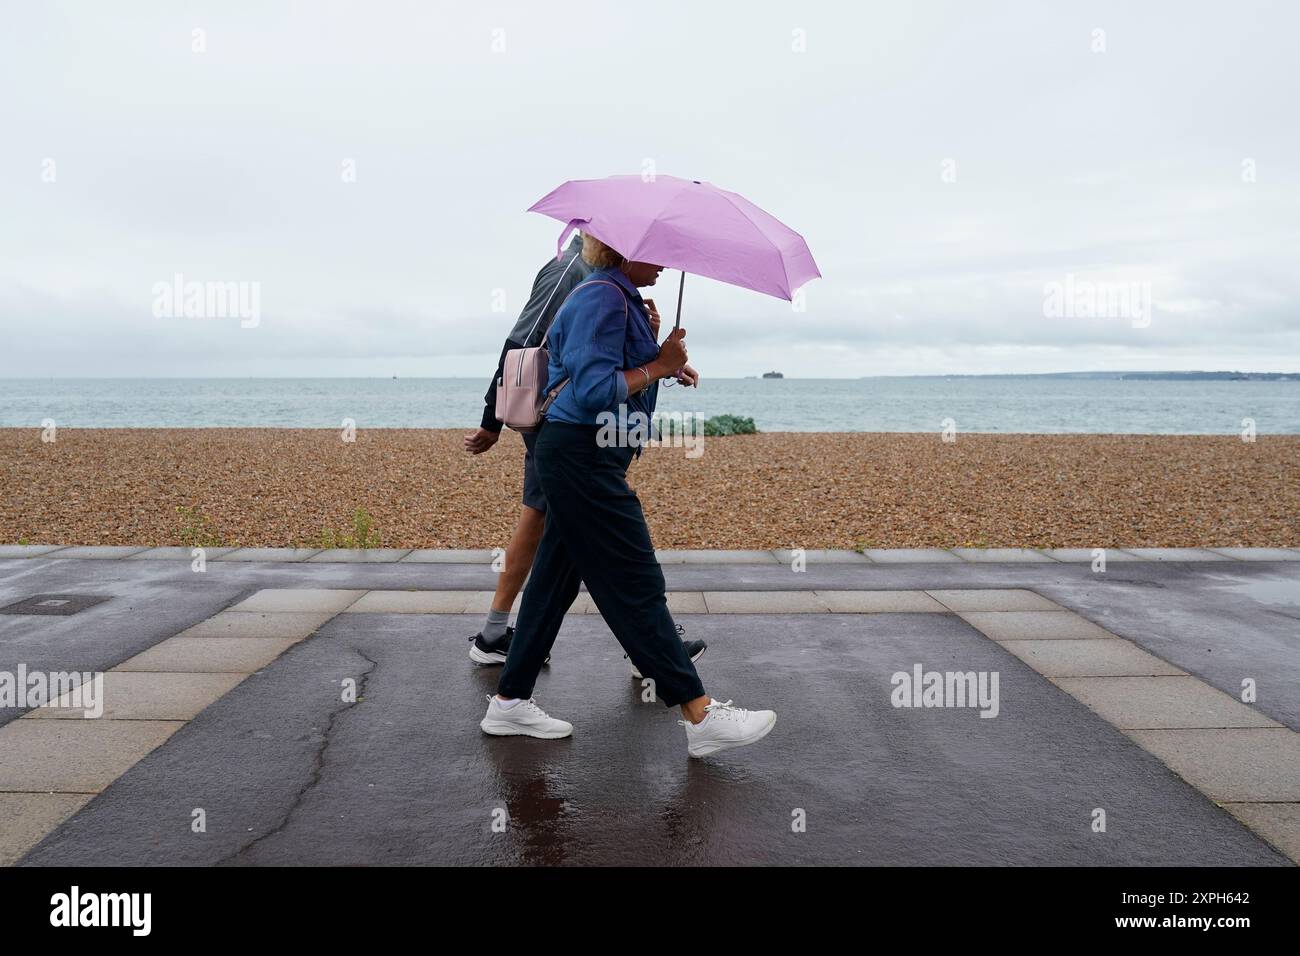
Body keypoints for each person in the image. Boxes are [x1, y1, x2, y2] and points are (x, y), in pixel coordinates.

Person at [479, 235, 776, 758]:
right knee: (634, 579)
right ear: (620, 250)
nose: (664, 261)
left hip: (581, 453)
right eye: (655, 251)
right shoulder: (601, 297)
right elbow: (592, 390)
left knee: (553, 583)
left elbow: (602, 371)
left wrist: (666, 366)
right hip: (582, 456)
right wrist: (657, 366)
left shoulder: (618, 296)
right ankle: (699, 714)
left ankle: (508, 702)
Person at [463, 235, 705, 675]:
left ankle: (508, 659)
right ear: (620, 241)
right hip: (562, 421)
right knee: (570, 527)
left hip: (585, 424)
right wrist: (492, 419)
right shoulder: (571, 271)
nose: (665, 261)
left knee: (562, 541)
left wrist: (657, 354)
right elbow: (522, 340)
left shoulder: (612, 286)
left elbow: (608, 356)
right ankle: (499, 635)